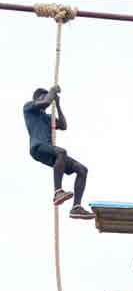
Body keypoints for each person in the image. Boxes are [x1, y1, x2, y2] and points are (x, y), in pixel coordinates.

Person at [23, 86, 95, 219]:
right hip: (38, 147)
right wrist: (53, 91)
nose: (47, 101)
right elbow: (45, 102)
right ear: (37, 98)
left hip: (51, 151)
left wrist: (59, 105)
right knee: (62, 152)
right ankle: (58, 192)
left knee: (82, 170)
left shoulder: (47, 117)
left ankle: (76, 207)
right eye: (44, 97)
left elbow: (63, 125)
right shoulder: (29, 108)